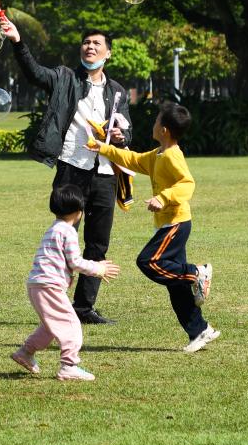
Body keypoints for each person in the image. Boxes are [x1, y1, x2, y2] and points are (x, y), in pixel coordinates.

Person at [0, 15, 131, 325]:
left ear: (108, 53)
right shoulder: (64, 78)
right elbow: (34, 73)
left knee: (98, 242)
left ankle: (84, 308)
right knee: (63, 236)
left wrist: (121, 136)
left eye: (96, 43)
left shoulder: (117, 91)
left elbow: (128, 130)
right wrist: (18, 41)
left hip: (105, 172)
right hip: (72, 167)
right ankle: (54, 301)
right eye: (86, 42)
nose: (90, 46)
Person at [86, 100, 220, 354]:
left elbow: (187, 183)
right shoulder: (158, 154)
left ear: (164, 130)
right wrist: (102, 147)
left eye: (157, 121)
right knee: (175, 286)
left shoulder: (172, 155)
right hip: (167, 224)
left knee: (148, 261)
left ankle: (196, 273)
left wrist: (163, 197)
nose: (153, 123)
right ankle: (200, 330)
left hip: (176, 223)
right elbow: (134, 159)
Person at [11, 185, 120, 381]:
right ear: (79, 212)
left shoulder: (53, 229)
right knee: (71, 323)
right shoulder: (68, 232)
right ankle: (69, 366)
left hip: (37, 285)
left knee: (50, 325)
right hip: (49, 286)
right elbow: (75, 262)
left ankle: (25, 353)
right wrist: (98, 268)